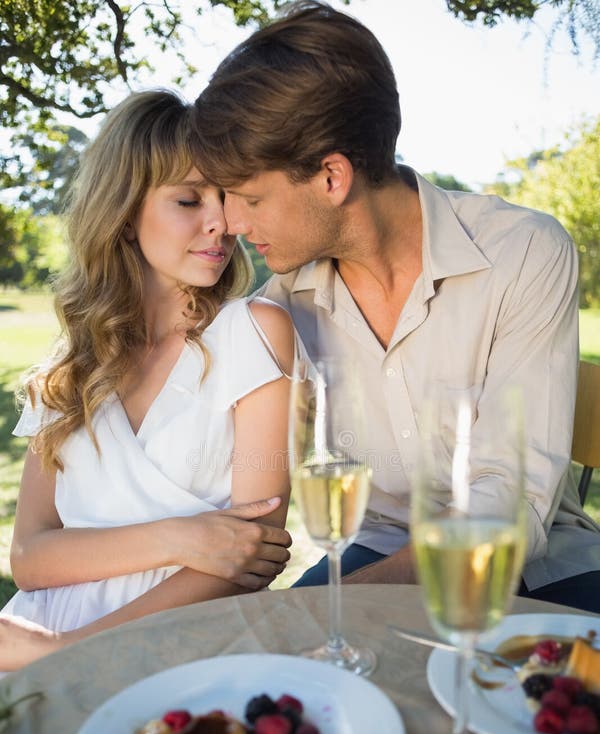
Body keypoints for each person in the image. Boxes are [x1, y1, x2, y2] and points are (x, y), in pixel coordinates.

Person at [191, 0, 600, 612]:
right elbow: (225, 462)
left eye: (249, 197)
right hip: (377, 550)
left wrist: (326, 610)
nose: (230, 221)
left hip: (541, 570)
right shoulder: (278, 307)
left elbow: (509, 501)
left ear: (332, 177)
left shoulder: (523, 252)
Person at [0, 89, 297, 671]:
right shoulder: (69, 367)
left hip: (177, 643)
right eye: (189, 200)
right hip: (31, 634)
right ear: (125, 213)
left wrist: (71, 654)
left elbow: (253, 555)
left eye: (226, 199)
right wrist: (179, 538)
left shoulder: (255, 332)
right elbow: (31, 557)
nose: (223, 223)